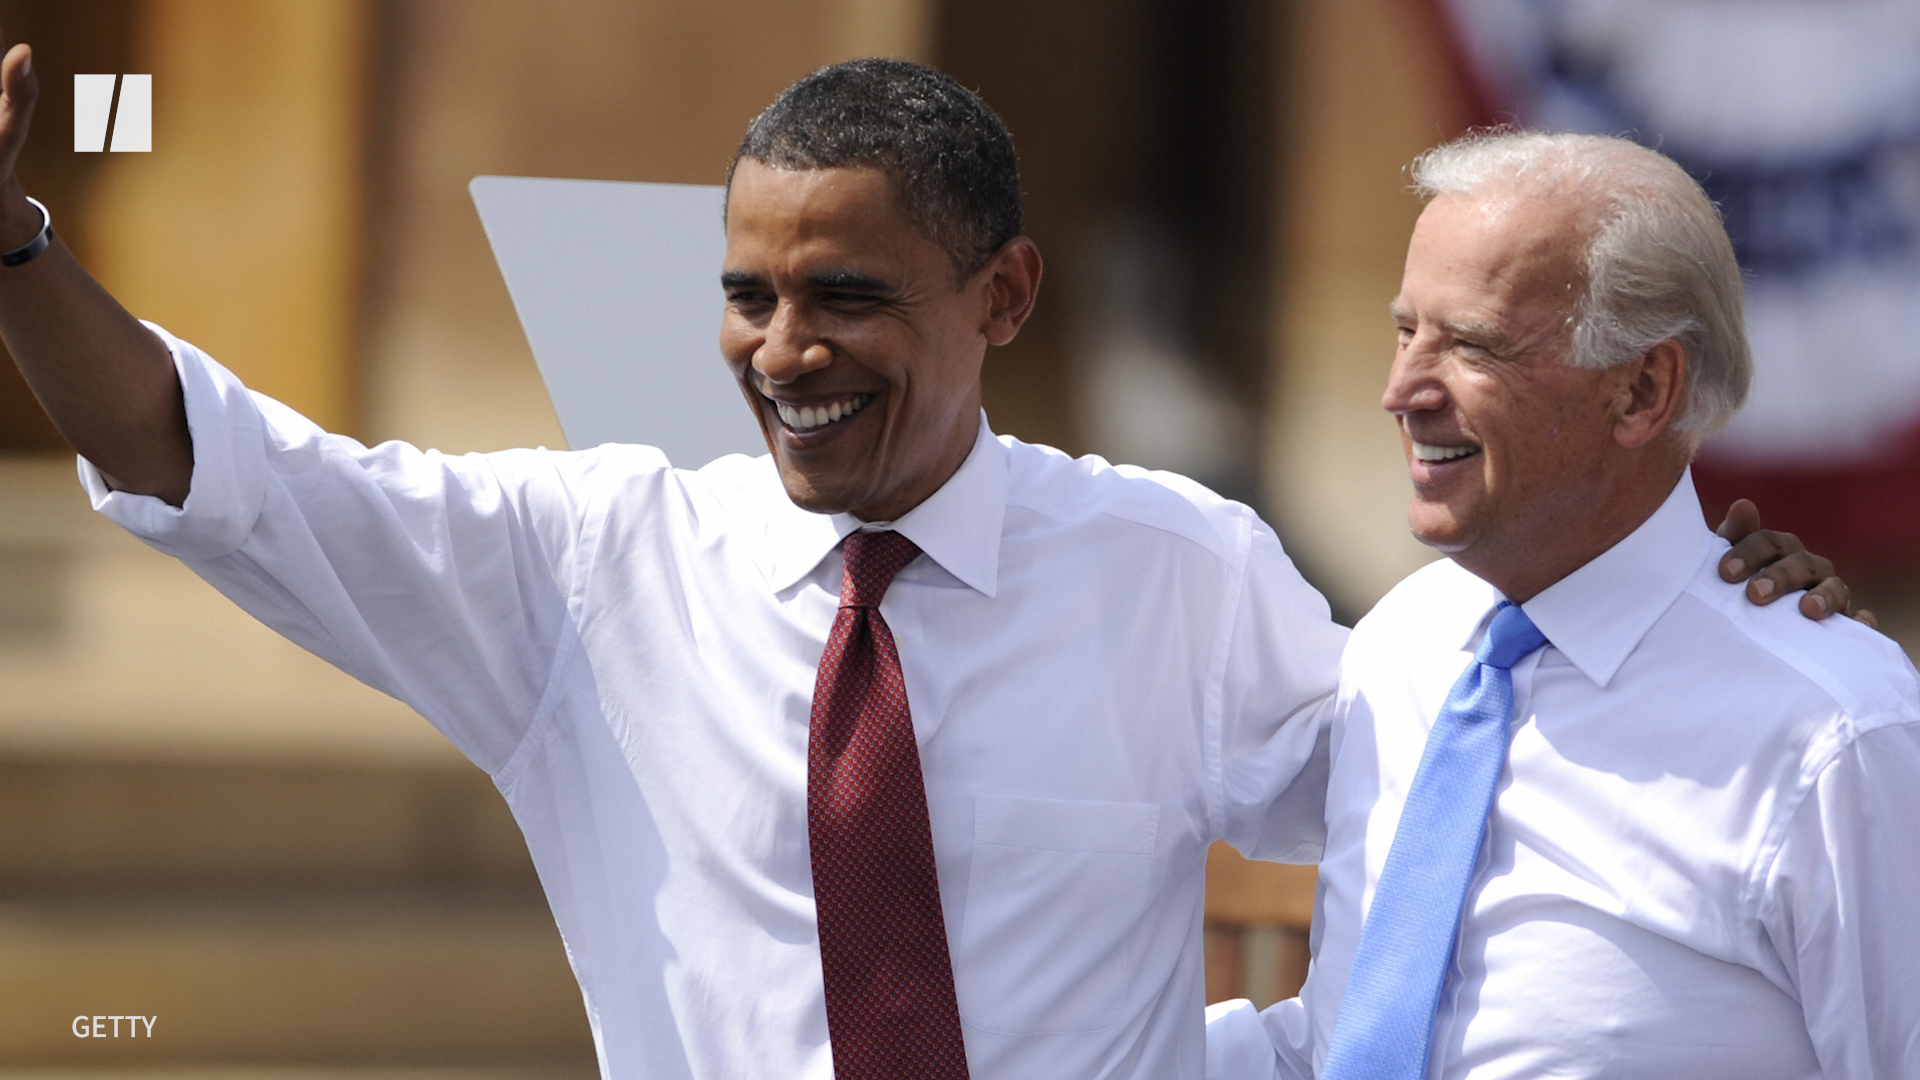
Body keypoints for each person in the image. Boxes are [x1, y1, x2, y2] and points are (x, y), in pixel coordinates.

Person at [0, 32, 1849, 1080]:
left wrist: (1709, 596)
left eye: (847, 297)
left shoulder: (1176, 571)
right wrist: (18, 255)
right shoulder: (585, 569)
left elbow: (1465, 763)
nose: (783, 351)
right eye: (749, 295)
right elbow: (218, 467)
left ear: (1003, 297)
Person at [1206, 131, 1920, 1079]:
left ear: (1642, 391)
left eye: (1471, 344)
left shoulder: (1831, 737)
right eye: (1407, 330)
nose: (1400, 390)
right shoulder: (1402, 644)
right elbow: (1344, 1043)